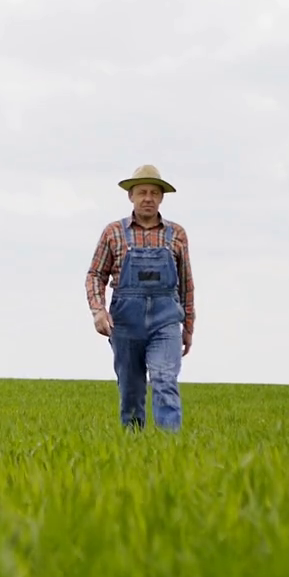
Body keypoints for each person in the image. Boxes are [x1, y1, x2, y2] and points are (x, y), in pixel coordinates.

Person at [86, 165, 194, 431]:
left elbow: (186, 282)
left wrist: (188, 326)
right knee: (131, 390)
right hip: (125, 322)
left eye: (154, 193)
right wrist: (99, 311)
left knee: (164, 379)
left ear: (161, 198)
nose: (148, 198)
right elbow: (95, 274)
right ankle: (134, 451)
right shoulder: (113, 232)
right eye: (142, 192)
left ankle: (171, 452)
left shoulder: (176, 234)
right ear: (131, 196)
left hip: (166, 320)